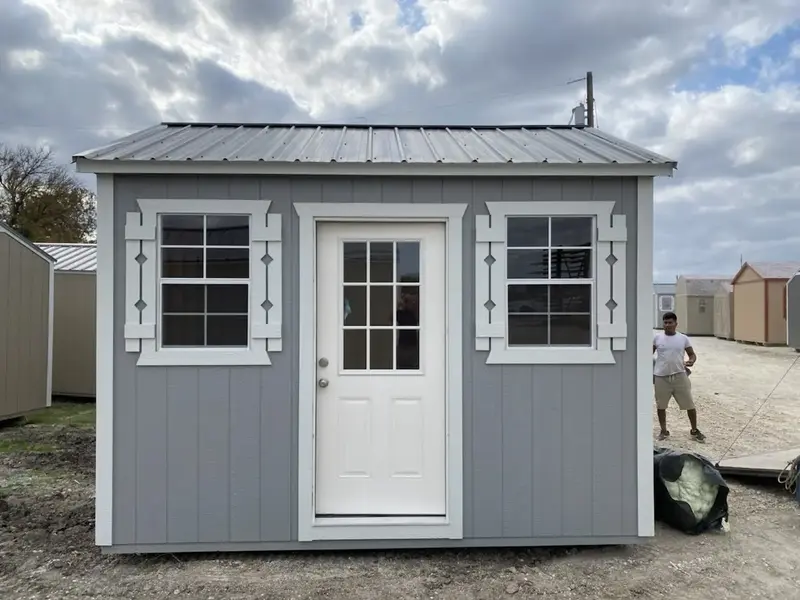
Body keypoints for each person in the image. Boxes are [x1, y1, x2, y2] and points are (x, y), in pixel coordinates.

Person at [653, 312, 706, 442]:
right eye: (665, 322)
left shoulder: (683, 338)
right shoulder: (657, 338)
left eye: (670, 322)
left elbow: (692, 354)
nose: (668, 325)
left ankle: (694, 431)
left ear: (676, 324)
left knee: (689, 404)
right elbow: (648, 353)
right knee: (661, 406)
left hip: (679, 375)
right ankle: (664, 431)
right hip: (661, 377)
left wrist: (691, 361)